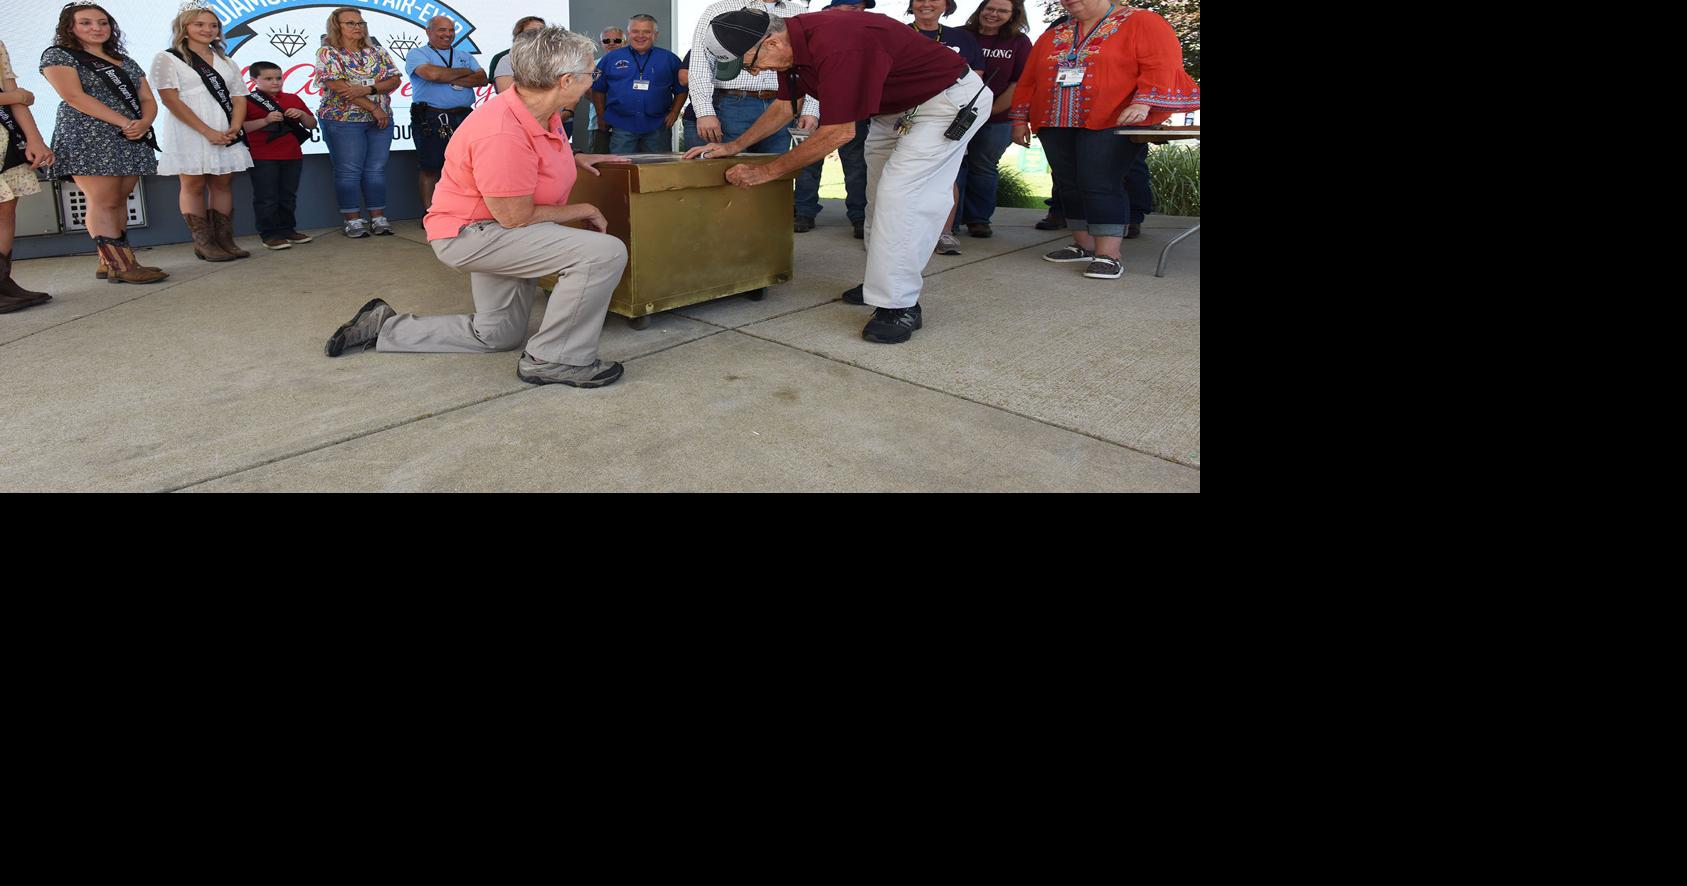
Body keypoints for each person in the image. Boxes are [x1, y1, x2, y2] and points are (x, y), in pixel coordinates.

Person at [324, 27, 631, 390]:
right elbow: (515, 216)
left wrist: (572, 157)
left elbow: (532, 160)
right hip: (476, 234)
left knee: (498, 334)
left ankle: (384, 327)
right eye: (591, 72)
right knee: (603, 253)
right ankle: (555, 358)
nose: (593, 79)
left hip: (497, 229)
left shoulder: (537, 110)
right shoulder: (502, 131)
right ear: (565, 81)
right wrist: (584, 209)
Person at [687, 7, 989, 344]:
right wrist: (735, 146)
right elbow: (785, 106)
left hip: (945, 102)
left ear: (770, 43)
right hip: (896, 109)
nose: (754, 73)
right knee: (878, 196)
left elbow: (839, 132)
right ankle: (882, 282)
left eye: (750, 64)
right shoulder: (792, 47)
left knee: (902, 198)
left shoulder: (838, 45)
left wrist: (766, 172)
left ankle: (899, 305)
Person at [1011, 0, 1198, 279]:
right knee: (1068, 184)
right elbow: (1029, 78)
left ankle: (1109, 255)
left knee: (1099, 181)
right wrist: (1019, 118)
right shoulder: (1055, 32)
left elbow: (1161, 64)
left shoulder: (1142, 21)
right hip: (1054, 119)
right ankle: (1083, 245)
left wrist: (1144, 102)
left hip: (1113, 118)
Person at [40, 3, 167, 284]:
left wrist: (145, 122)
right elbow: (74, 96)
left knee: (120, 199)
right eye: (86, 23)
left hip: (130, 135)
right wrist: (125, 122)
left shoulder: (124, 60)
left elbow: (146, 97)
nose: (96, 28)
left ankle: (110, 261)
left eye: (102, 22)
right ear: (70, 27)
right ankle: (122, 265)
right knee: (104, 201)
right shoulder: (59, 55)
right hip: (88, 135)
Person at [689, 0, 820, 235]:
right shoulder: (719, 10)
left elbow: (813, 64)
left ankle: (768, 238)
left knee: (775, 175)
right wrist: (705, 111)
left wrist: (811, 107)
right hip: (733, 103)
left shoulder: (799, 13)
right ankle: (727, 235)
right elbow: (700, 63)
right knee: (729, 174)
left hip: (784, 105)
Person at [152, 2, 253, 263]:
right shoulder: (168, 58)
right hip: (190, 128)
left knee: (223, 182)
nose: (208, 29)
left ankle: (224, 239)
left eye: (213, 25)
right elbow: (170, 99)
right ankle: (204, 243)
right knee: (193, 183)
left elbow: (239, 97)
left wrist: (235, 126)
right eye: (199, 24)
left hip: (225, 128)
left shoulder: (226, 61)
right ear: (184, 27)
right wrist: (207, 131)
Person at [313, 6, 401, 237]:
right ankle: (353, 220)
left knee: (376, 170)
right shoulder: (328, 52)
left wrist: (368, 89)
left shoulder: (377, 51)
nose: (357, 27)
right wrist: (373, 107)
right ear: (337, 27)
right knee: (349, 171)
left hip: (380, 120)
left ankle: (378, 218)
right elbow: (338, 86)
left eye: (360, 23)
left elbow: (394, 80)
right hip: (343, 120)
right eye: (350, 23)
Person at [793, 0, 875, 240]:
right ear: (832, 9)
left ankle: (859, 216)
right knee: (808, 161)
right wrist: (811, 111)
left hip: (852, 109)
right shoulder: (817, 31)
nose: (860, 13)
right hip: (817, 109)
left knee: (856, 164)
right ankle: (804, 212)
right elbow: (814, 75)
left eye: (862, 8)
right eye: (853, 7)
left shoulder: (863, 34)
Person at [955, 0, 1031, 239]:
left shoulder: (1019, 42)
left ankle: (978, 220)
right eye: (989, 8)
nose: (994, 14)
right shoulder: (959, 35)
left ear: (1013, 15)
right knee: (953, 167)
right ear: (981, 9)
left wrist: (989, 111)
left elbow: (1019, 83)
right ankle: (949, 221)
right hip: (955, 115)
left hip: (997, 117)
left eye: (1002, 11)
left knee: (983, 166)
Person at [406, 15, 487, 210]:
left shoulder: (464, 55)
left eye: (451, 30)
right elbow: (432, 74)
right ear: (428, 31)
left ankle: (462, 210)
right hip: (432, 117)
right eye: (442, 30)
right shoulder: (417, 53)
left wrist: (445, 76)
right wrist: (465, 71)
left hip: (465, 117)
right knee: (431, 167)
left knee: (467, 166)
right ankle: (430, 214)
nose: (447, 34)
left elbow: (482, 79)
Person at [1, 37, 56, 311]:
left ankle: (2, 281)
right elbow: (15, 95)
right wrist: (14, 96)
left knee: (6, 209)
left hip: (5, 138)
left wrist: (35, 139)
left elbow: (14, 92)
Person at [241, 60, 316, 250]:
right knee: (266, 197)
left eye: (278, 78)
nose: (275, 82)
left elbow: (311, 124)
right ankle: (269, 234)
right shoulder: (246, 101)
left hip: (292, 155)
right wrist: (265, 121)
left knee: (288, 196)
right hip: (262, 156)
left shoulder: (293, 98)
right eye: (268, 79)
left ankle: (287, 230)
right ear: (254, 80)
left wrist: (301, 114)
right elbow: (240, 128)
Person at [591, 14, 685, 154]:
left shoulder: (670, 59)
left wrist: (675, 112)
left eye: (646, 32)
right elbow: (598, 89)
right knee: (622, 165)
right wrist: (600, 115)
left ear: (655, 35)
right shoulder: (610, 59)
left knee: (658, 165)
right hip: (621, 125)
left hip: (658, 127)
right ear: (628, 34)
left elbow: (681, 89)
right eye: (635, 31)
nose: (640, 36)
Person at [586, 27, 624, 153]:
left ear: (625, 42)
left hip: (628, 124)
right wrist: (606, 109)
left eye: (617, 40)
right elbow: (587, 91)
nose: (611, 43)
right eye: (607, 41)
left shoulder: (635, 64)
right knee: (599, 162)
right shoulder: (593, 66)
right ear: (601, 43)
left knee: (626, 161)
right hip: (599, 124)